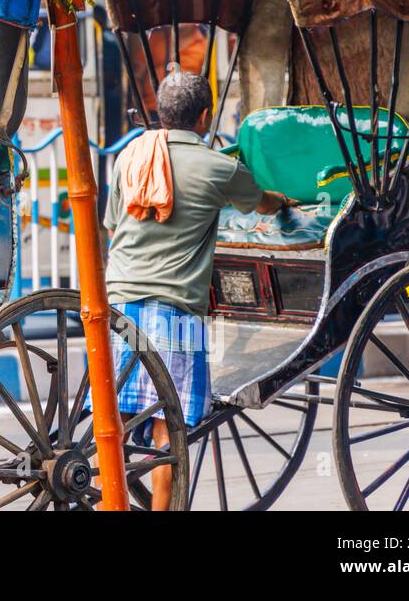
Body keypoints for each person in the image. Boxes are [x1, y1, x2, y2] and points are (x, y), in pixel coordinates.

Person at [101, 71, 291, 510]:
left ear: (160, 113)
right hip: (172, 313)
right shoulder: (218, 167)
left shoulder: (130, 157)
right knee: (169, 428)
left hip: (121, 309)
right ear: (205, 117)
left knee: (119, 419)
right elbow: (260, 202)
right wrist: (281, 201)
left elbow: (113, 229)